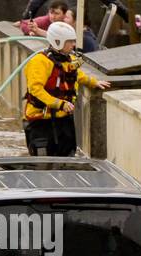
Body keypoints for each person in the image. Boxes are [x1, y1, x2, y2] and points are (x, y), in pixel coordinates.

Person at [23, 22, 110, 157]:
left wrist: (94, 82)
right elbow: (35, 89)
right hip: (41, 121)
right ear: (57, 42)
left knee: (67, 157)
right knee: (43, 163)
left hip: (63, 121)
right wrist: (59, 104)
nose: (73, 45)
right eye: (69, 42)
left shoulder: (70, 60)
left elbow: (76, 75)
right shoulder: (40, 62)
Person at [20, 2, 101, 51]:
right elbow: (57, 37)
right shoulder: (82, 32)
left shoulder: (84, 39)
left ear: (77, 22)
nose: (63, 19)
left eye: (66, 17)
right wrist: (37, 30)